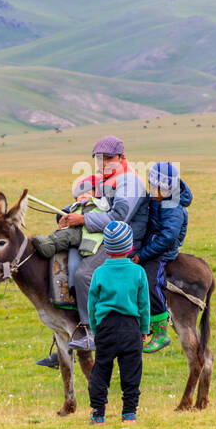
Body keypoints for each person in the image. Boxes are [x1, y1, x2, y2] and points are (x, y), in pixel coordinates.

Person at [63, 136, 148, 351]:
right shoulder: (107, 180)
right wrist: (68, 213)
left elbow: (119, 217)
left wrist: (82, 220)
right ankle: (65, 331)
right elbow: (94, 205)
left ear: (122, 158)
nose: (103, 162)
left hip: (123, 239)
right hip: (103, 234)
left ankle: (91, 333)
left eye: (109, 158)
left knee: (84, 274)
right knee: (66, 258)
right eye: (100, 158)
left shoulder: (129, 181)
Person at [85, 221, 150, 423]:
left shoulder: (99, 273)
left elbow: (92, 305)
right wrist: (144, 329)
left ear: (106, 248)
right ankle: (129, 412)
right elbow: (144, 305)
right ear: (130, 247)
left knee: (101, 369)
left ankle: (98, 413)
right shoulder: (138, 272)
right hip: (131, 328)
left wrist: (96, 328)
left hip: (106, 328)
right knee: (131, 370)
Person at [131, 161, 191, 354]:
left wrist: (142, 254)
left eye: (162, 190)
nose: (157, 192)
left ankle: (160, 329)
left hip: (163, 251)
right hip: (151, 243)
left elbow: (167, 238)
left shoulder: (173, 206)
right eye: (154, 187)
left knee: (150, 281)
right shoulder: (157, 200)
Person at [29, 174, 105, 259]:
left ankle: (49, 247)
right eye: (80, 193)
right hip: (76, 232)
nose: (83, 195)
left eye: (88, 193)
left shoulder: (96, 206)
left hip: (87, 234)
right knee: (62, 233)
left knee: (67, 235)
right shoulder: (77, 206)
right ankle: (48, 242)